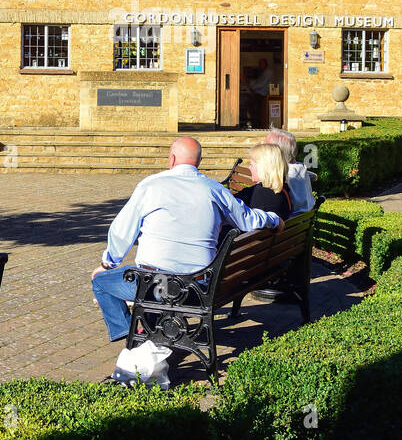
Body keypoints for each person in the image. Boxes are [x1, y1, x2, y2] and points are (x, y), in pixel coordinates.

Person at [90, 136, 282, 342]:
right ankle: (152, 330)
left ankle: (129, 332)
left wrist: (107, 264)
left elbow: (121, 231)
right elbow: (248, 219)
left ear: (171, 159)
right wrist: (273, 219)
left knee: (100, 282)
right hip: (200, 287)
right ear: (198, 161)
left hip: (158, 286)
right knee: (157, 277)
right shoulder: (214, 189)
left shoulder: (150, 186)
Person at [235, 143, 293, 221]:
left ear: (262, 167)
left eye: (251, 164)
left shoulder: (262, 193)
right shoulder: (282, 189)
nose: (249, 167)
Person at [266, 128, 315, 214]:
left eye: (266, 146)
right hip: (300, 221)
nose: (262, 148)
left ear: (278, 152)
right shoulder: (300, 167)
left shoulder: (283, 174)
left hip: (287, 223)